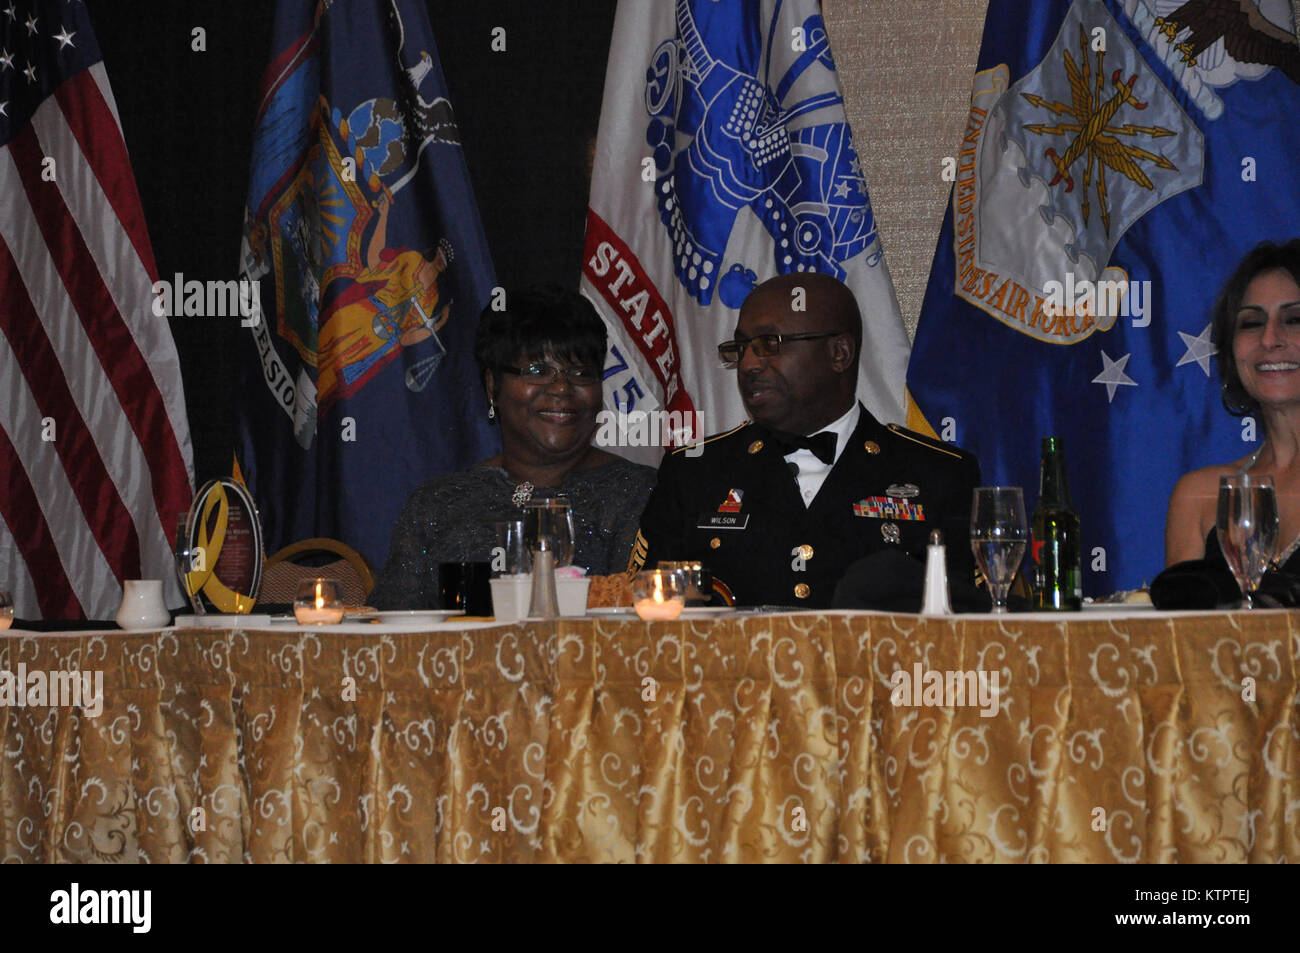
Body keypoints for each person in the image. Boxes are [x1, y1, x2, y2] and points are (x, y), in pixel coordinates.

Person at [632, 272, 981, 608]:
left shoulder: (940, 475)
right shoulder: (694, 472)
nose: (749, 364)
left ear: (839, 354)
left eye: (770, 344)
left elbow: (972, 627)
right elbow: (646, 613)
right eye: (742, 347)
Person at [369, 284, 657, 609]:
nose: (562, 387)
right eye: (538, 371)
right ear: (493, 386)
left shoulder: (641, 495)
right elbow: (391, 629)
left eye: (580, 373)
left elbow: (640, 631)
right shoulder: (437, 503)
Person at [1165, 239, 1300, 571]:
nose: (1269, 339)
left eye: (1295, 319)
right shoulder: (1198, 497)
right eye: (1252, 323)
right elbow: (1176, 625)